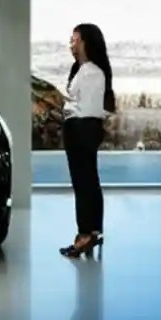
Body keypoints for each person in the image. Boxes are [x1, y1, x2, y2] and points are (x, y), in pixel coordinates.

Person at [60, 23, 116, 259]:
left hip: (83, 129)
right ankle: (91, 231)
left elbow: (89, 108)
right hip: (78, 128)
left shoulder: (92, 72)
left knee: (84, 183)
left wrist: (63, 106)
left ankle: (86, 234)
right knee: (86, 181)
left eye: (74, 40)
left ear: (85, 43)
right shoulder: (81, 70)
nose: (71, 44)